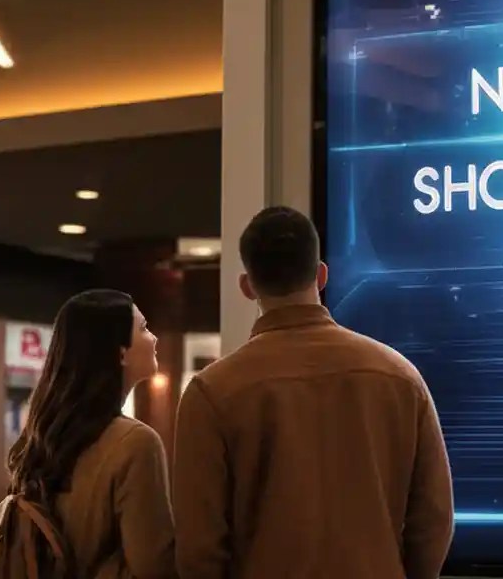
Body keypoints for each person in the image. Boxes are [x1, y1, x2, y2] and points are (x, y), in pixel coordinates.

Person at [174, 207, 454, 579]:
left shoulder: (211, 392)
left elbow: (199, 549)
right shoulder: (400, 377)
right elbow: (433, 520)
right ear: (321, 275)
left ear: (247, 285)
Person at [7, 289, 176, 578]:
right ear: (120, 352)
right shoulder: (136, 443)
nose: (154, 338)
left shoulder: (41, 437)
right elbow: (154, 568)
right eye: (144, 328)